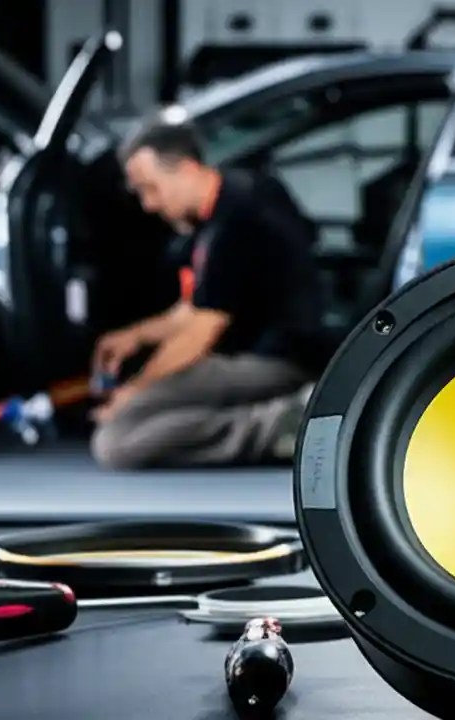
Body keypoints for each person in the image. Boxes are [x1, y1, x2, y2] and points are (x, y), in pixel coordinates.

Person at [89, 110, 326, 470]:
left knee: (116, 442)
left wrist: (134, 391)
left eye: (150, 188)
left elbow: (200, 331)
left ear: (185, 169)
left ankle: (283, 423)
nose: (149, 205)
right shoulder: (229, 207)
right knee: (132, 419)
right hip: (258, 357)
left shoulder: (238, 219)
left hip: (276, 361)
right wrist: (135, 336)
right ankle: (277, 418)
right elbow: (195, 307)